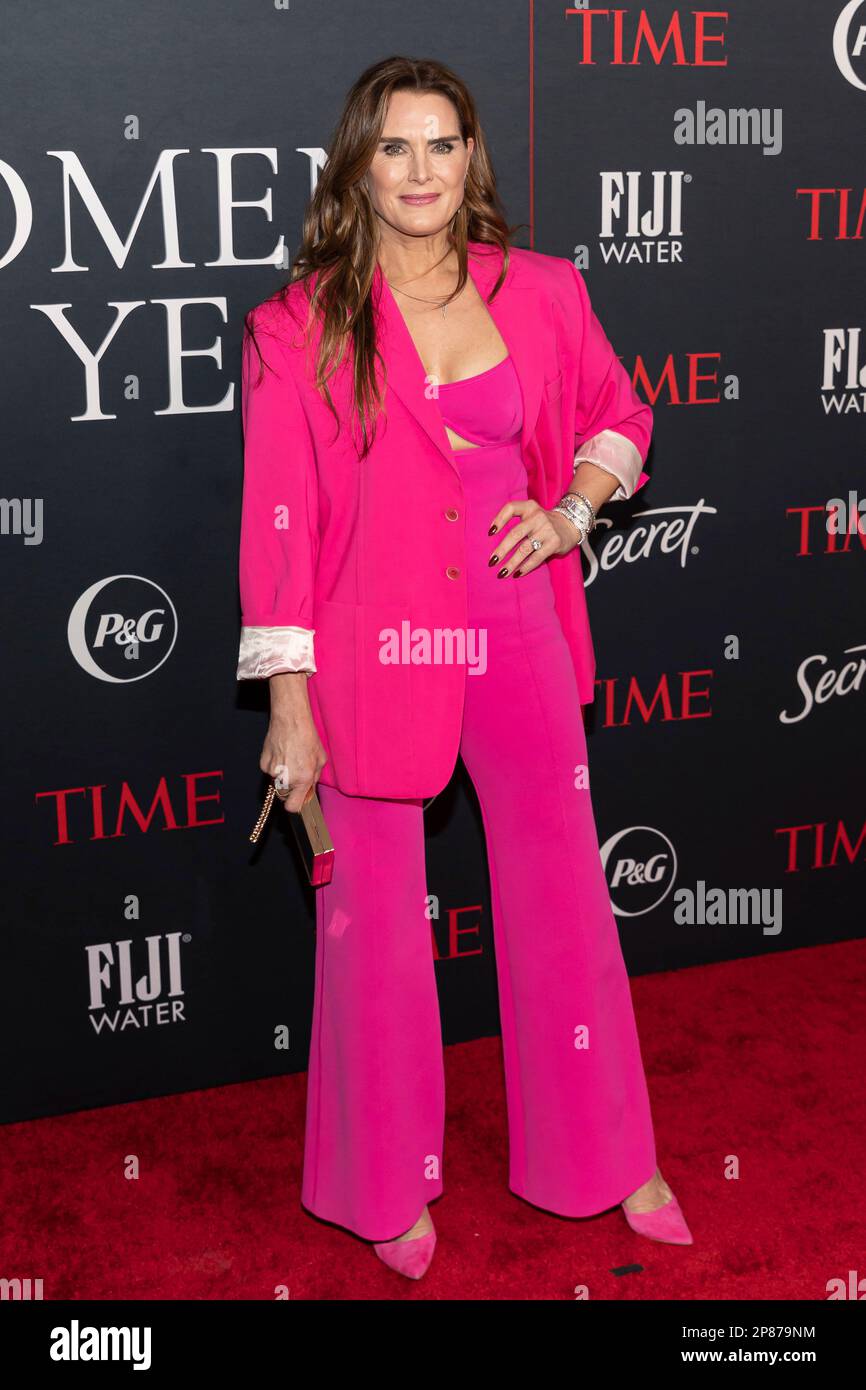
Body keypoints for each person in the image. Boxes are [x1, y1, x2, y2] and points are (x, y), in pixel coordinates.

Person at [236, 55, 692, 1280]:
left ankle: (607, 1154)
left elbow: (620, 414)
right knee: (373, 924)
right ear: (360, 165)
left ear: (470, 159)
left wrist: (575, 511)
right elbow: (279, 514)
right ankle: (384, 1186)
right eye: (395, 147)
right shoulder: (298, 323)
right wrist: (288, 705)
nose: (421, 170)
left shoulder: (540, 288)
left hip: (514, 628)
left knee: (562, 902)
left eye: (442, 145)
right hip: (370, 647)